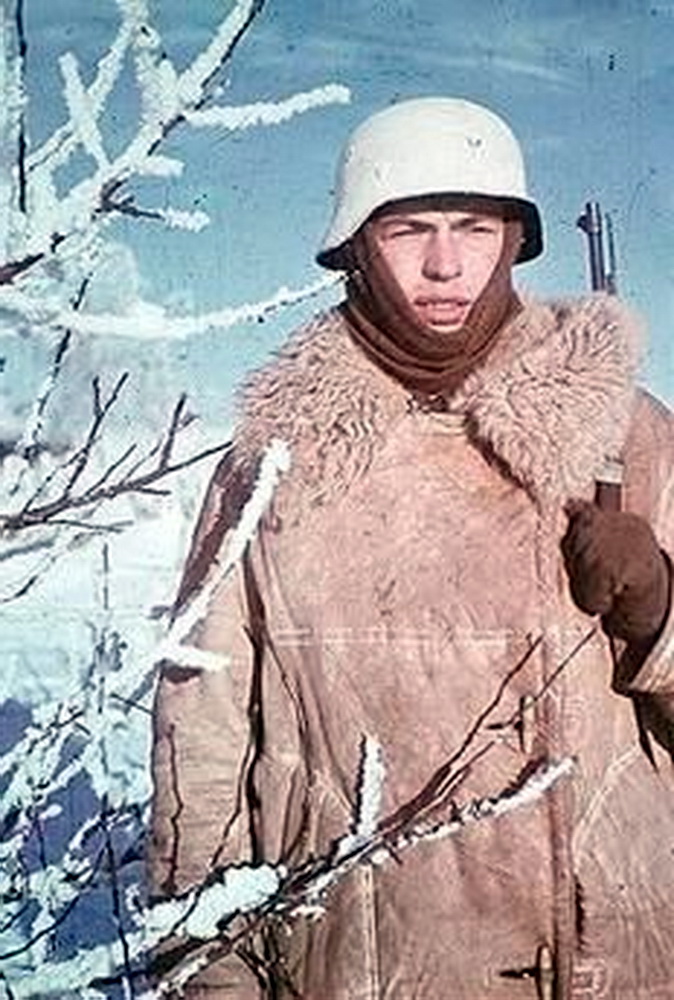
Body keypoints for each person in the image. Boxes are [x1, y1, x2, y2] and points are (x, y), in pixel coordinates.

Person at [148, 98, 674, 999]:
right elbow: (200, 749)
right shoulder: (272, 464)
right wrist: (213, 979)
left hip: (611, 962)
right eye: (407, 230)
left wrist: (658, 608)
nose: (444, 264)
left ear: (514, 241)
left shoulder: (628, 437)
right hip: (363, 966)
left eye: (474, 228)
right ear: (357, 245)